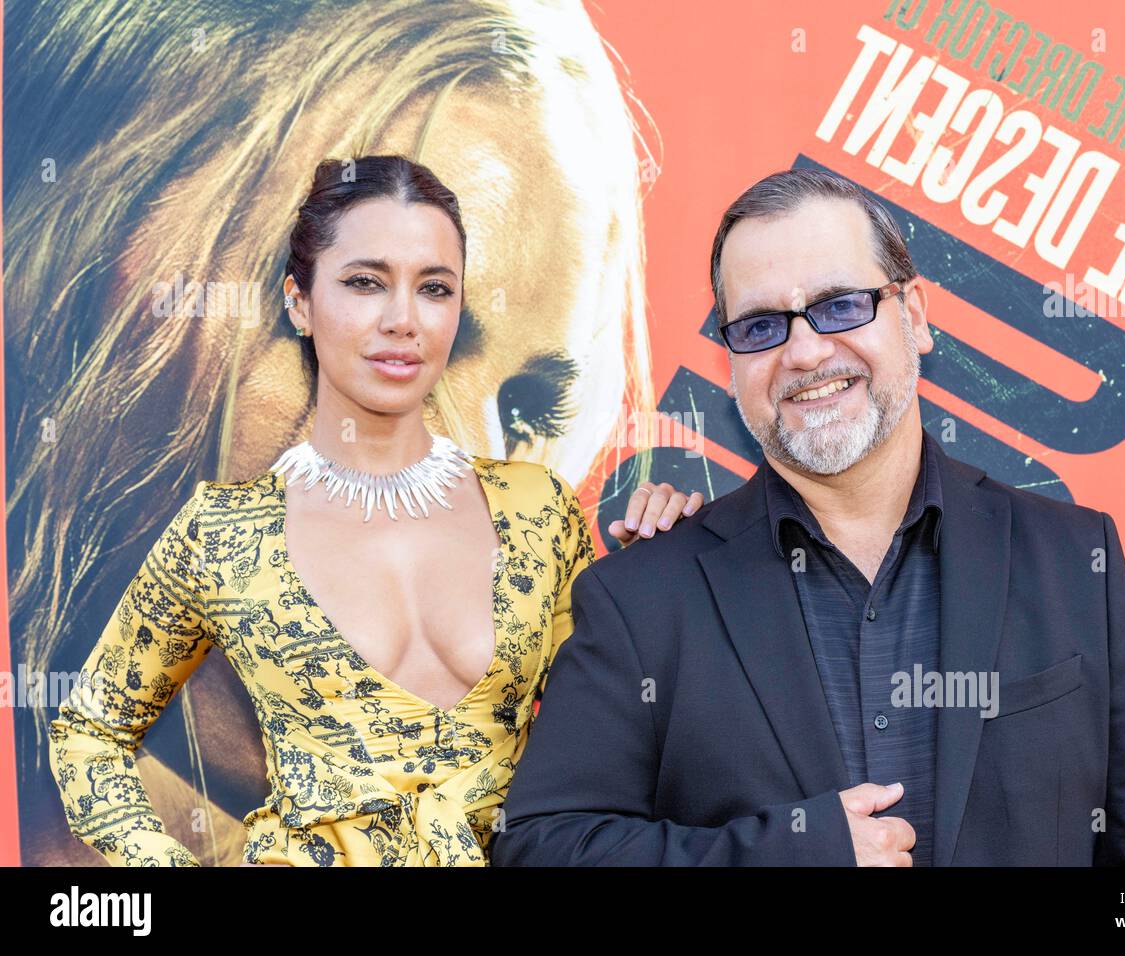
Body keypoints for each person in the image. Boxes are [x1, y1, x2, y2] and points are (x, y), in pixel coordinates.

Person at [491, 167, 1125, 866]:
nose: (805, 351)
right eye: (761, 326)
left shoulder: (1075, 565)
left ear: (917, 317)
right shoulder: (644, 599)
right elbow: (543, 847)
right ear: (732, 362)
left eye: (841, 306)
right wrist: (786, 854)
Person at [47, 155, 702, 867]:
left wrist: (655, 584)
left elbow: (620, 741)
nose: (402, 320)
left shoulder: (535, 510)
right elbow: (89, 732)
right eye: (365, 282)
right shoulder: (224, 533)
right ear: (299, 301)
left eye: (434, 288)